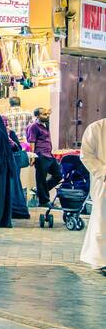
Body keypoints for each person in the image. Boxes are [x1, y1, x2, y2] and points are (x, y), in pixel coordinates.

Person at [77, 117, 106, 276]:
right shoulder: (96, 128)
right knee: (102, 218)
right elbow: (86, 155)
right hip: (103, 181)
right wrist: (103, 172)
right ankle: (100, 259)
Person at [25, 108, 61, 208]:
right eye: (44, 114)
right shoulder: (34, 126)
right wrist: (32, 157)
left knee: (58, 175)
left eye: (47, 114)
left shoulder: (46, 123)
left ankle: (39, 191)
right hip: (40, 155)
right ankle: (44, 201)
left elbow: (48, 114)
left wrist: (48, 112)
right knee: (41, 178)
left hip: (49, 154)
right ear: (37, 116)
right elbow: (32, 142)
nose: (47, 115)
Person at [8, 129, 31, 221]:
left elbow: (18, 148)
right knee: (15, 186)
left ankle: (15, 210)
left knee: (13, 186)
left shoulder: (9, 133)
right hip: (13, 164)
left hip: (11, 164)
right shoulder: (8, 133)